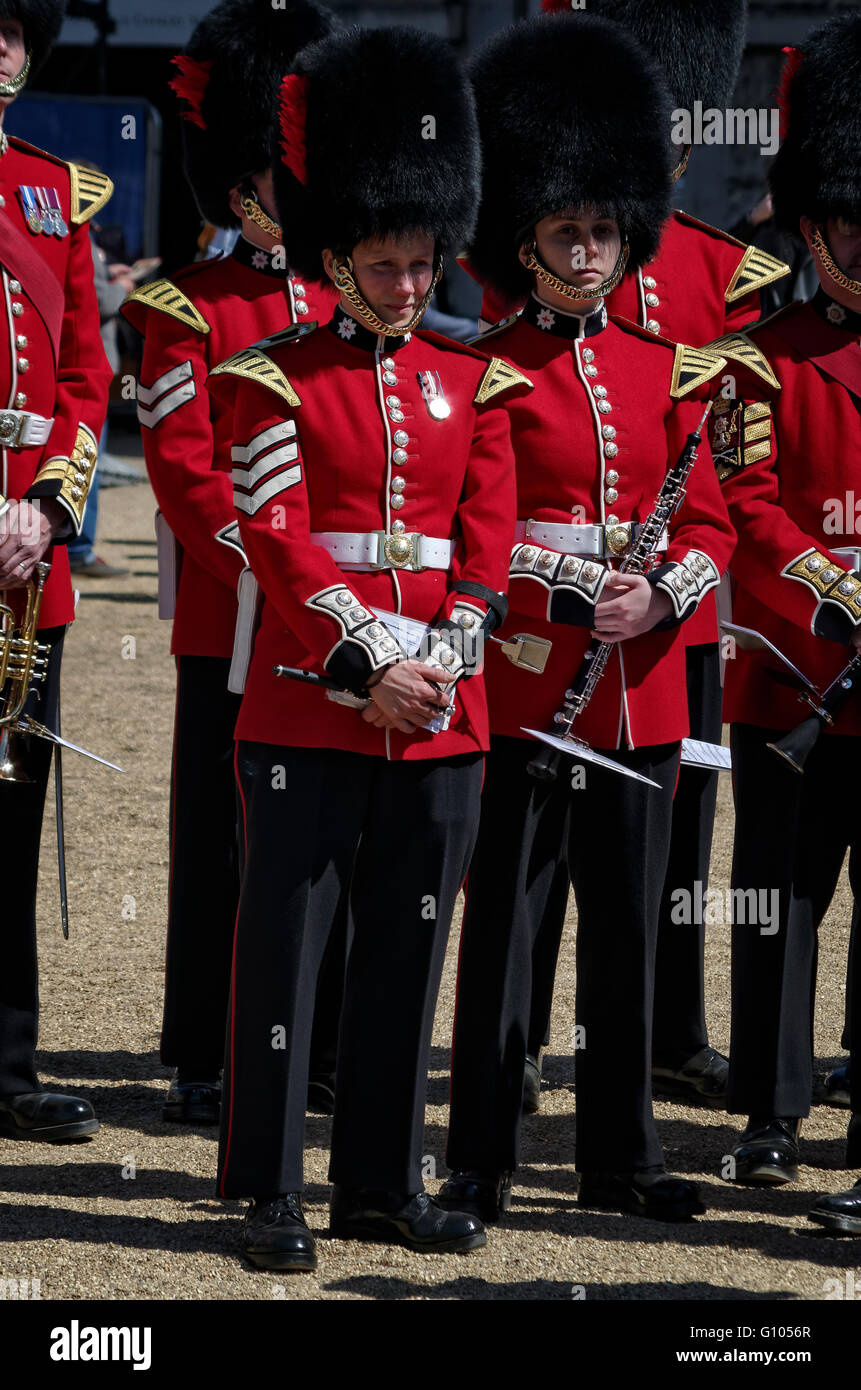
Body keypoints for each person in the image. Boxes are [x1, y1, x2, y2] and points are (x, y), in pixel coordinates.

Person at [206, 22, 520, 1271]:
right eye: (384, 264)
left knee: (409, 946)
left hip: (439, 707)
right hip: (310, 701)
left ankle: (383, 1181)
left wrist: (447, 649)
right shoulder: (270, 378)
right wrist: (364, 665)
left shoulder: (474, 378)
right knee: (287, 951)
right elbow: (276, 538)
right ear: (334, 256)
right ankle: (271, 1187)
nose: (406, 284)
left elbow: (488, 536)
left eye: (421, 263)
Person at [438, 11, 736, 1225]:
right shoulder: (491, 368)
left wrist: (659, 593)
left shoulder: (668, 369)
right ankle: (482, 1153)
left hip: (640, 696)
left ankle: (622, 1155)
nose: (591, 249)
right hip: (529, 686)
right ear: (526, 239)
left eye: (606, 230)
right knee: (508, 929)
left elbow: (711, 529)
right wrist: (575, 591)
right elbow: (483, 534)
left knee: (628, 931)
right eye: (568, 230)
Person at [496, 0, 791, 1115]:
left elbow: (737, 448)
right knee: (537, 841)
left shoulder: (726, 267)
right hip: (560, 612)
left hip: (681, 611)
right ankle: (518, 1035)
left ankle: (671, 1032)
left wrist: (677, 583)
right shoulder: (556, 246)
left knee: (671, 843)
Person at [121, 0, 340, 1126]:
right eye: (259, 172)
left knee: (334, 839)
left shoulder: (348, 301)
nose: (275, 189)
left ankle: (324, 1040)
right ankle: (206, 1047)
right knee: (220, 837)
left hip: (339, 618)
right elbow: (184, 470)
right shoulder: (186, 307)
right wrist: (271, 578)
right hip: (236, 618)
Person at [706, 17, 861, 1208]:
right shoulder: (763, 361)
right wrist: (836, 591)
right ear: (814, 230)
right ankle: (769, 1103)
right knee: (778, 905)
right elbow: (747, 511)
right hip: (795, 680)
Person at [0, 0, 113, 1140]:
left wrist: (45, 506)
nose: (1, 46)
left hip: (26, 562)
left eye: (15, 27)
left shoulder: (53, 193)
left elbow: (83, 377)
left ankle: (6, 1062)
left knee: (9, 817)